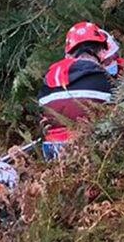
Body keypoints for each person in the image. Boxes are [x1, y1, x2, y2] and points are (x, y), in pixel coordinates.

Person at [36, 21, 118, 158]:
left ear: (68, 55)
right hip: (94, 155)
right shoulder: (103, 80)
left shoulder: (49, 80)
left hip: (52, 153)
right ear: (102, 52)